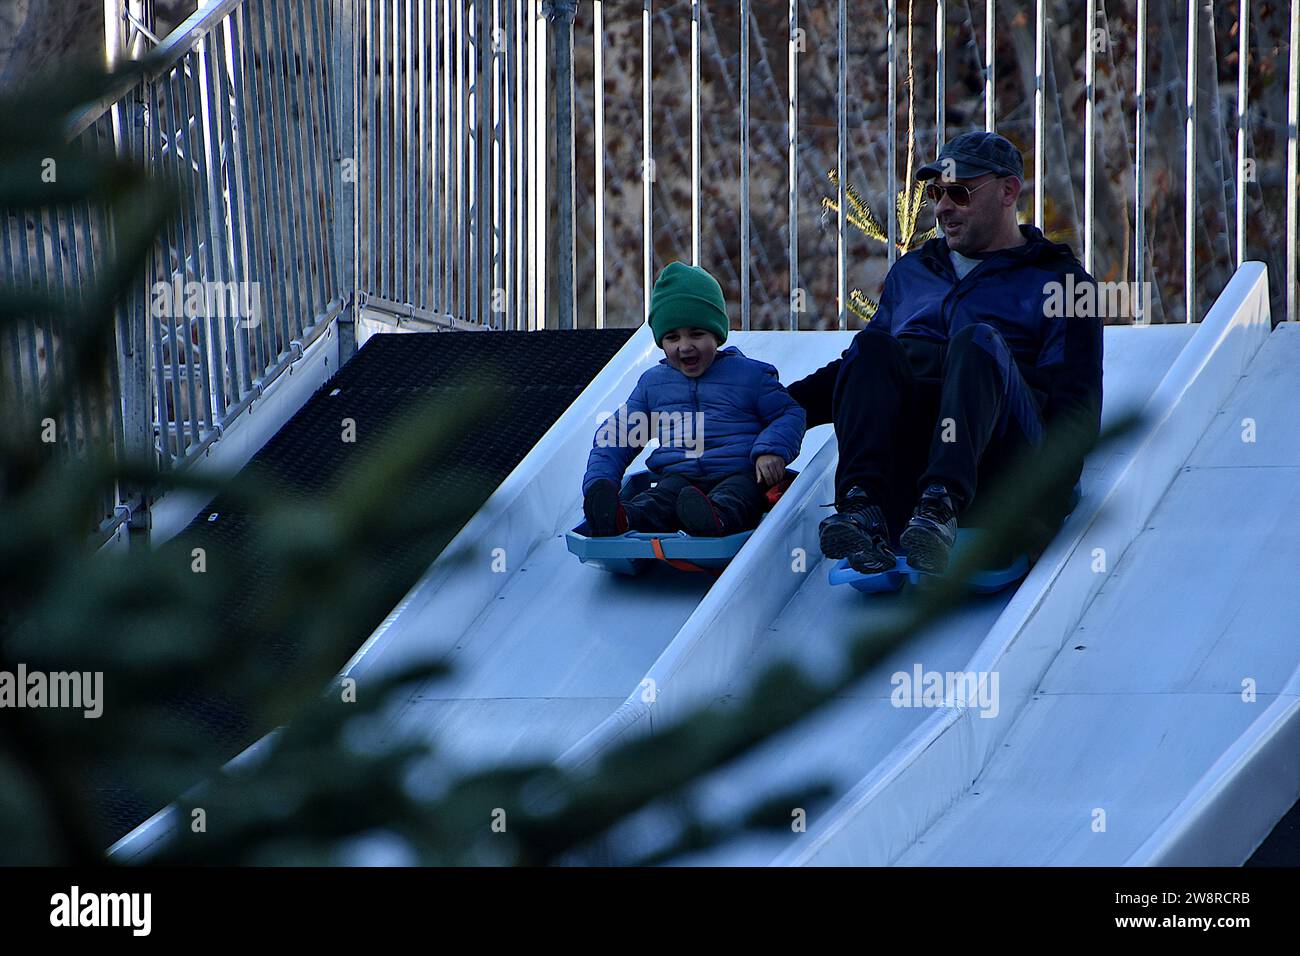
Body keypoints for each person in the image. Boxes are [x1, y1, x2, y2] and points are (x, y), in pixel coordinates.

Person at [786, 131, 1103, 574]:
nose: (942, 207)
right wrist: (777, 408)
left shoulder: (1060, 283)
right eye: (936, 192)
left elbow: (1076, 415)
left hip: (1000, 471)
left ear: (1008, 191)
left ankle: (942, 505)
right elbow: (864, 371)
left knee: (977, 343)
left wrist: (1042, 510)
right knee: (874, 347)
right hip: (912, 472)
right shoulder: (914, 271)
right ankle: (863, 507)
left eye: (959, 192)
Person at [582, 261, 806, 538]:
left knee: (737, 496)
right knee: (660, 500)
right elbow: (618, 435)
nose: (685, 346)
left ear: (717, 334)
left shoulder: (749, 376)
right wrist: (599, 482)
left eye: (697, 334)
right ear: (661, 342)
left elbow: (789, 414)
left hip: (738, 472)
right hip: (679, 477)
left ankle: (714, 519)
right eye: (672, 337)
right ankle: (622, 518)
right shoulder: (654, 385)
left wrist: (770, 450)